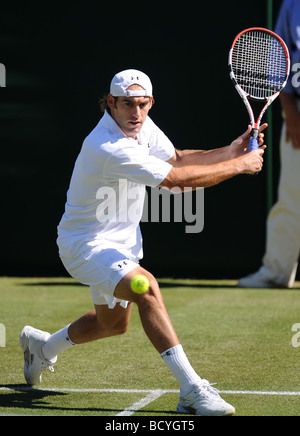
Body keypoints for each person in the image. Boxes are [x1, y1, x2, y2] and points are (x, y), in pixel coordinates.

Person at [20, 69, 266, 416]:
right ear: (110, 104)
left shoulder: (141, 126)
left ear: (150, 103)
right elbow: (176, 180)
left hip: (121, 246)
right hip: (84, 245)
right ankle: (193, 390)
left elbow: (178, 159)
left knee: (111, 324)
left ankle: (42, 347)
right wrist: (240, 165)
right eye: (126, 105)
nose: (135, 113)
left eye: (142, 104)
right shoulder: (107, 146)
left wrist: (229, 151)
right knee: (144, 285)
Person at [238, 0, 300, 289]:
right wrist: (291, 114)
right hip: (298, 116)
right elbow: (281, 62)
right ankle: (277, 272)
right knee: (291, 196)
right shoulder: (293, 4)